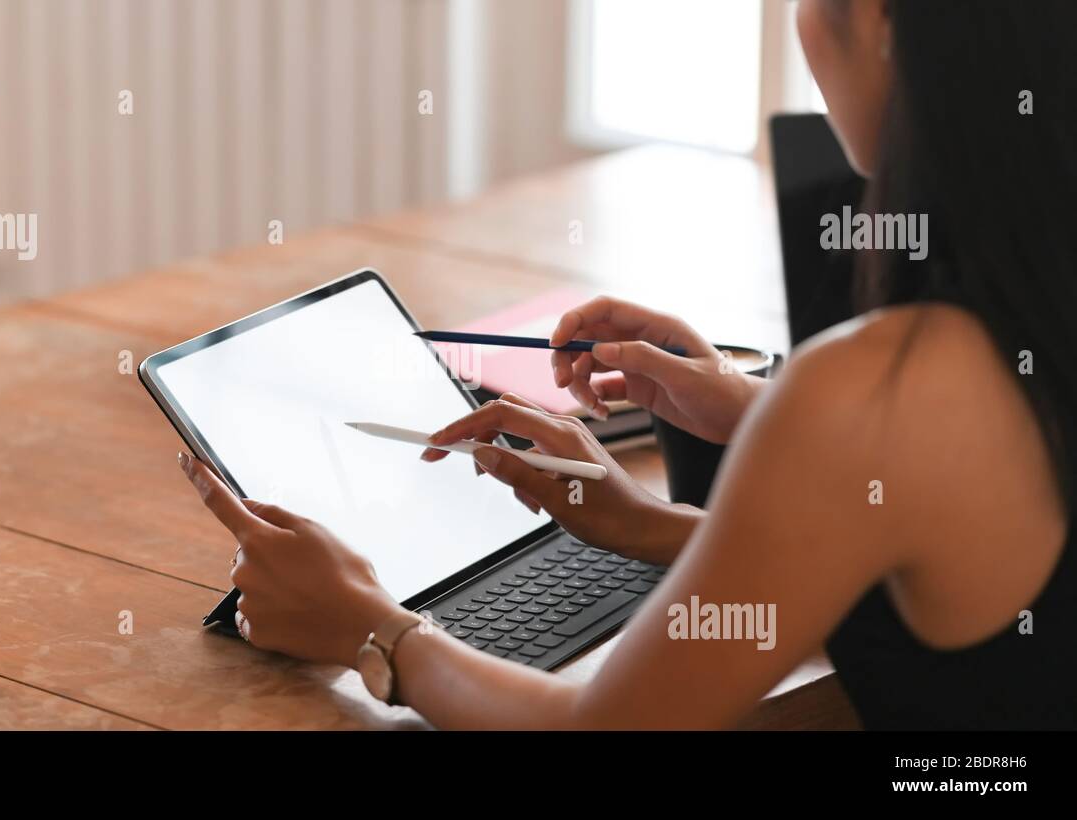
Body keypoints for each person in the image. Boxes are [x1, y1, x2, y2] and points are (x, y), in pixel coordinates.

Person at [177, 0, 1077, 729]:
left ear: (878, 18)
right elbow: (943, 549)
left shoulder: (878, 391)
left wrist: (373, 631)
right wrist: (656, 517)